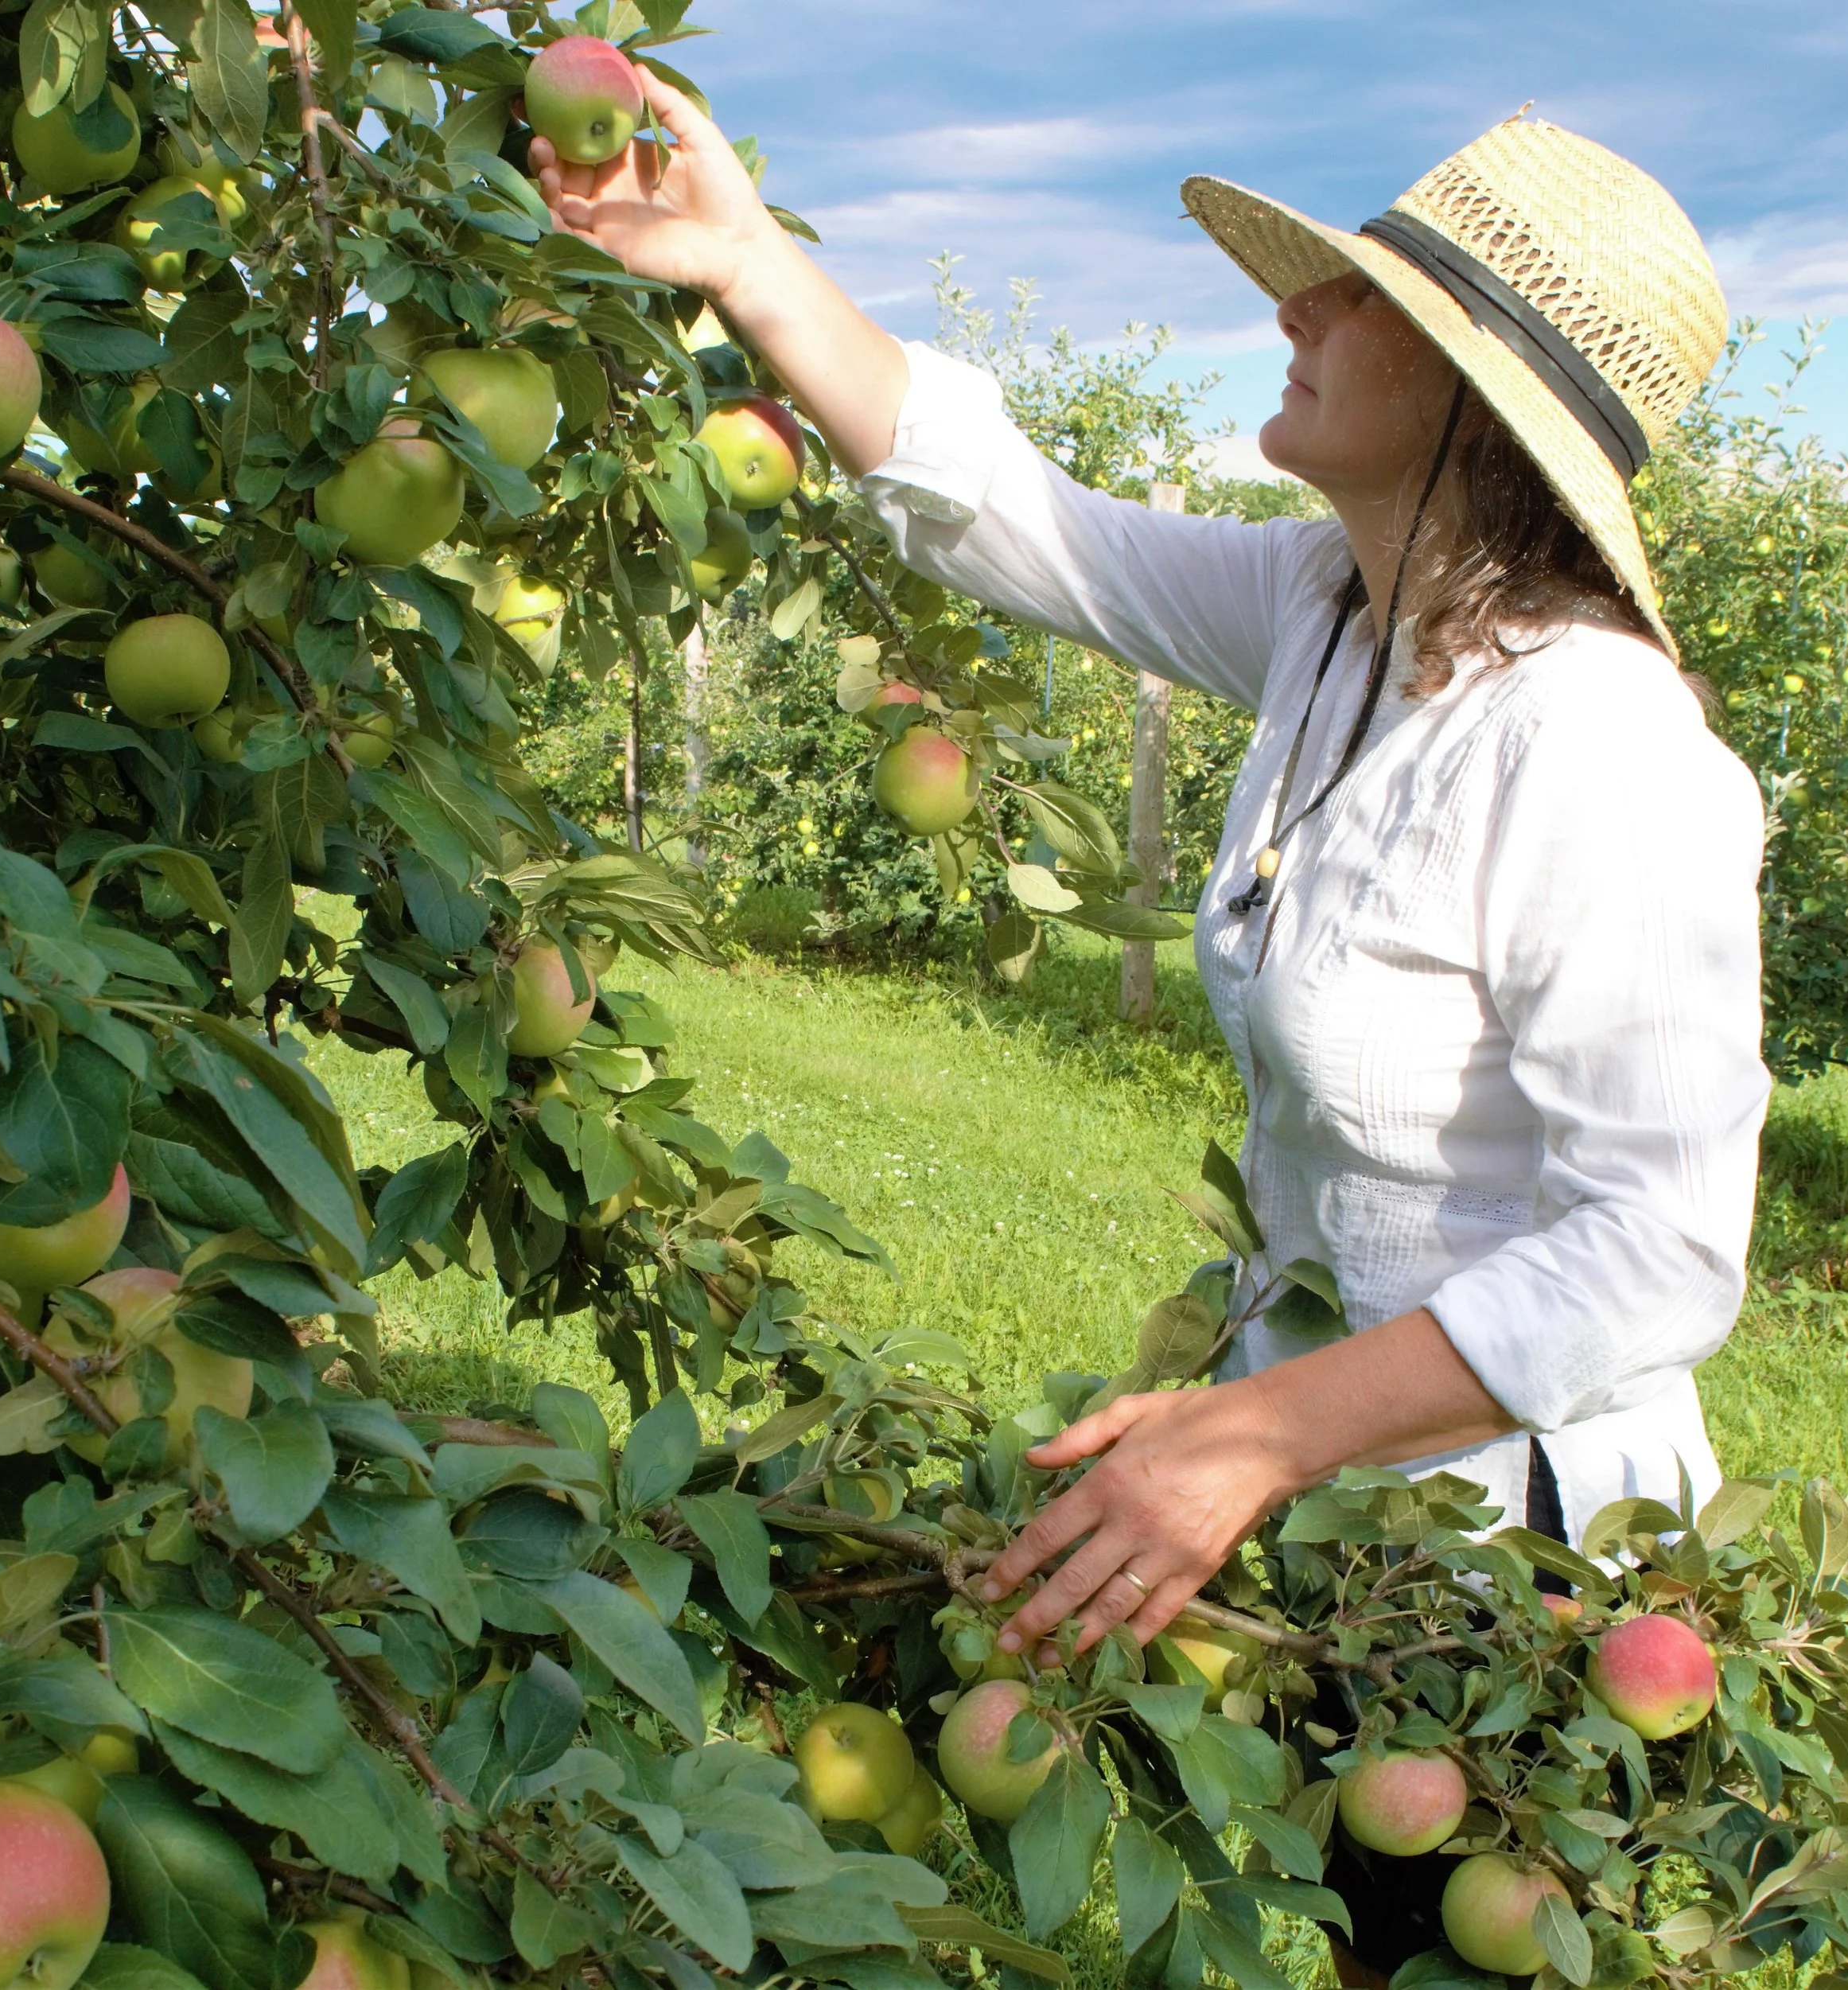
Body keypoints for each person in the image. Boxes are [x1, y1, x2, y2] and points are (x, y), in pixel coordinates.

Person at [530, 84, 1765, 1732]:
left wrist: (1251, 1435)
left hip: (1517, 1551)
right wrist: (742, 258)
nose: (1295, 309)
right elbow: (1024, 521)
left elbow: (1659, 1250)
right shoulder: (1334, 614)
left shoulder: (1595, 742)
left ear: (1472, 395)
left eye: (1359, 297)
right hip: (1331, 1495)